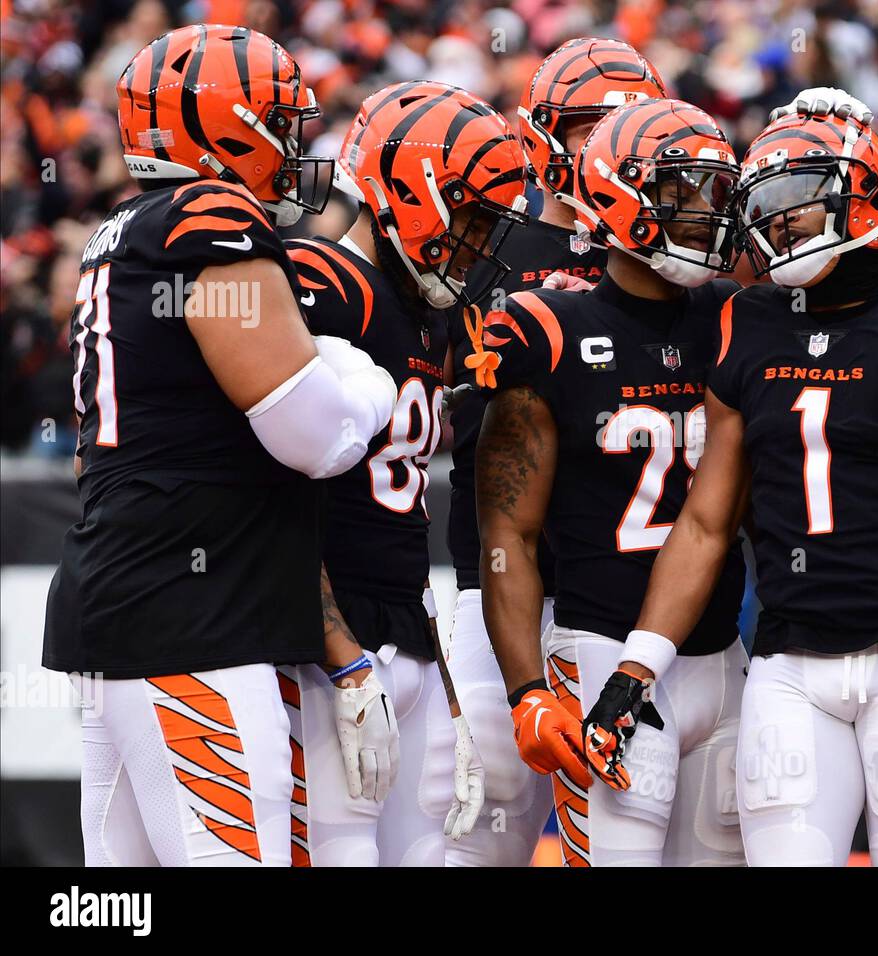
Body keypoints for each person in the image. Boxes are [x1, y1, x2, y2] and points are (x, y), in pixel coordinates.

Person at [588, 97, 878, 867]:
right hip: (788, 661)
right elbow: (706, 521)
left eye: (800, 199)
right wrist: (639, 664)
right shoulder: (747, 321)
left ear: (861, 191)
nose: (782, 222)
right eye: (767, 205)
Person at [41, 25, 398, 866]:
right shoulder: (210, 216)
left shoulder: (121, 232)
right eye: (277, 121)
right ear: (222, 125)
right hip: (193, 622)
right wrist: (361, 374)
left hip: (134, 601)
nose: (292, 143)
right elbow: (314, 437)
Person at [477, 97, 748, 867]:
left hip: (722, 654)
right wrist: (529, 688)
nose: (705, 214)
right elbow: (509, 533)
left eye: (713, 194)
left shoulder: (737, 317)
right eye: (679, 193)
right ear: (619, 195)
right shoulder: (547, 328)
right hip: (600, 651)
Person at [282, 81, 530, 865]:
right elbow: (277, 497)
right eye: (472, 216)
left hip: (408, 632)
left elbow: (407, 504)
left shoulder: (426, 307)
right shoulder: (319, 281)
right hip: (332, 639)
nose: (481, 242)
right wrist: (340, 656)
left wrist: (450, 692)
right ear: (417, 195)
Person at [441, 37, 665, 868]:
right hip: (504, 573)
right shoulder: (492, 249)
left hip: (634, 589)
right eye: (584, 126)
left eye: (626, 120)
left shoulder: (672, 250)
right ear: (543, 135)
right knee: (489, 804)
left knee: (642, 815)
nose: (602, 140)